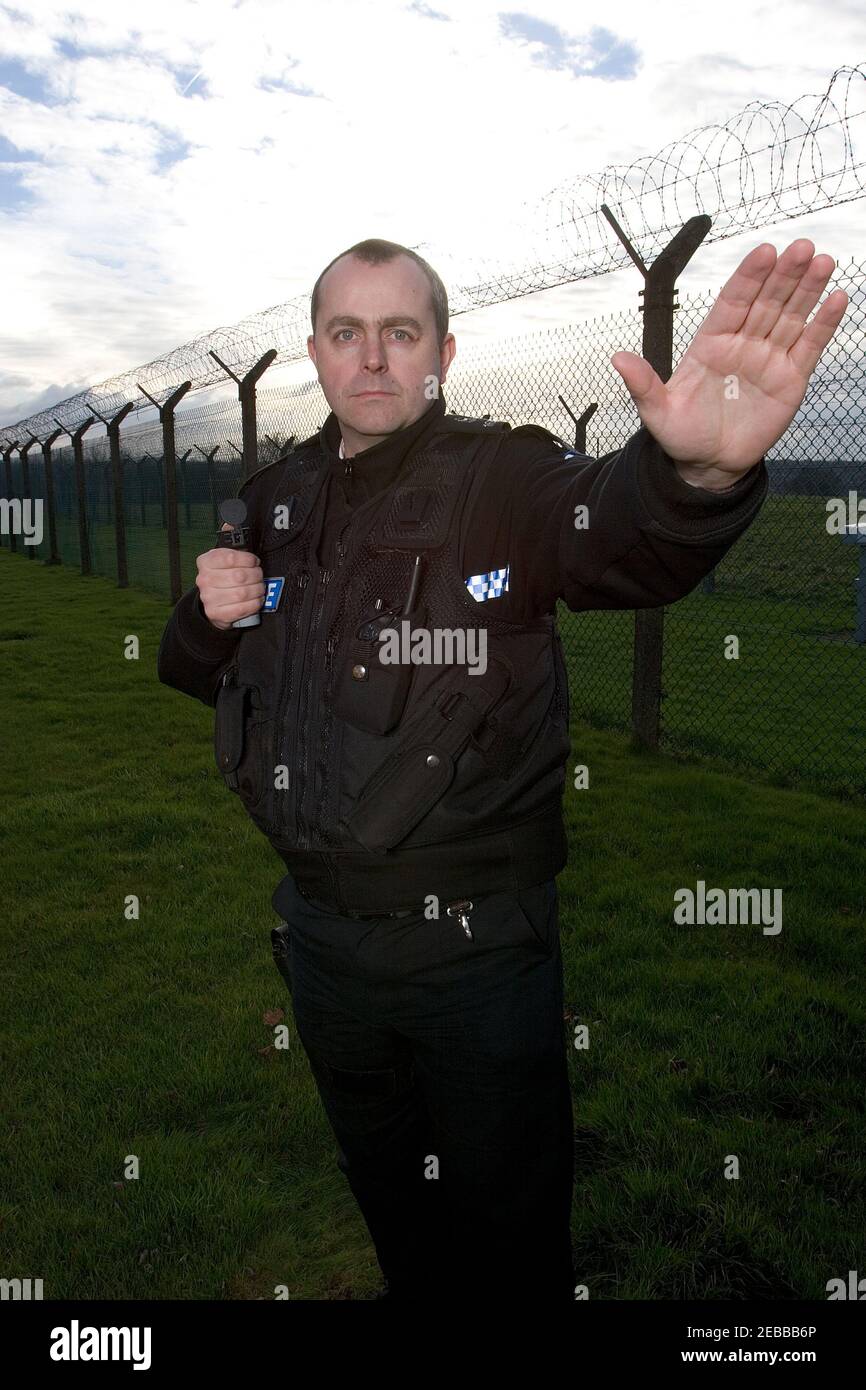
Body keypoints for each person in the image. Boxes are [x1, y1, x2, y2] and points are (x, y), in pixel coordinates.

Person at [157, 236, 846, 1301]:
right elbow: (202, 669)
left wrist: (696, 475)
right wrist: (208, 620)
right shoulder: (273, 496)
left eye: (400, 332)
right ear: (313, 351)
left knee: (509, 1241)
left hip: (475, 951)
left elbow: (615, 538)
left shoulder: (502, 477)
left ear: (441, 350)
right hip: (323, 943)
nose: (373, 358)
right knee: (395, 1212)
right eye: (347, 333)